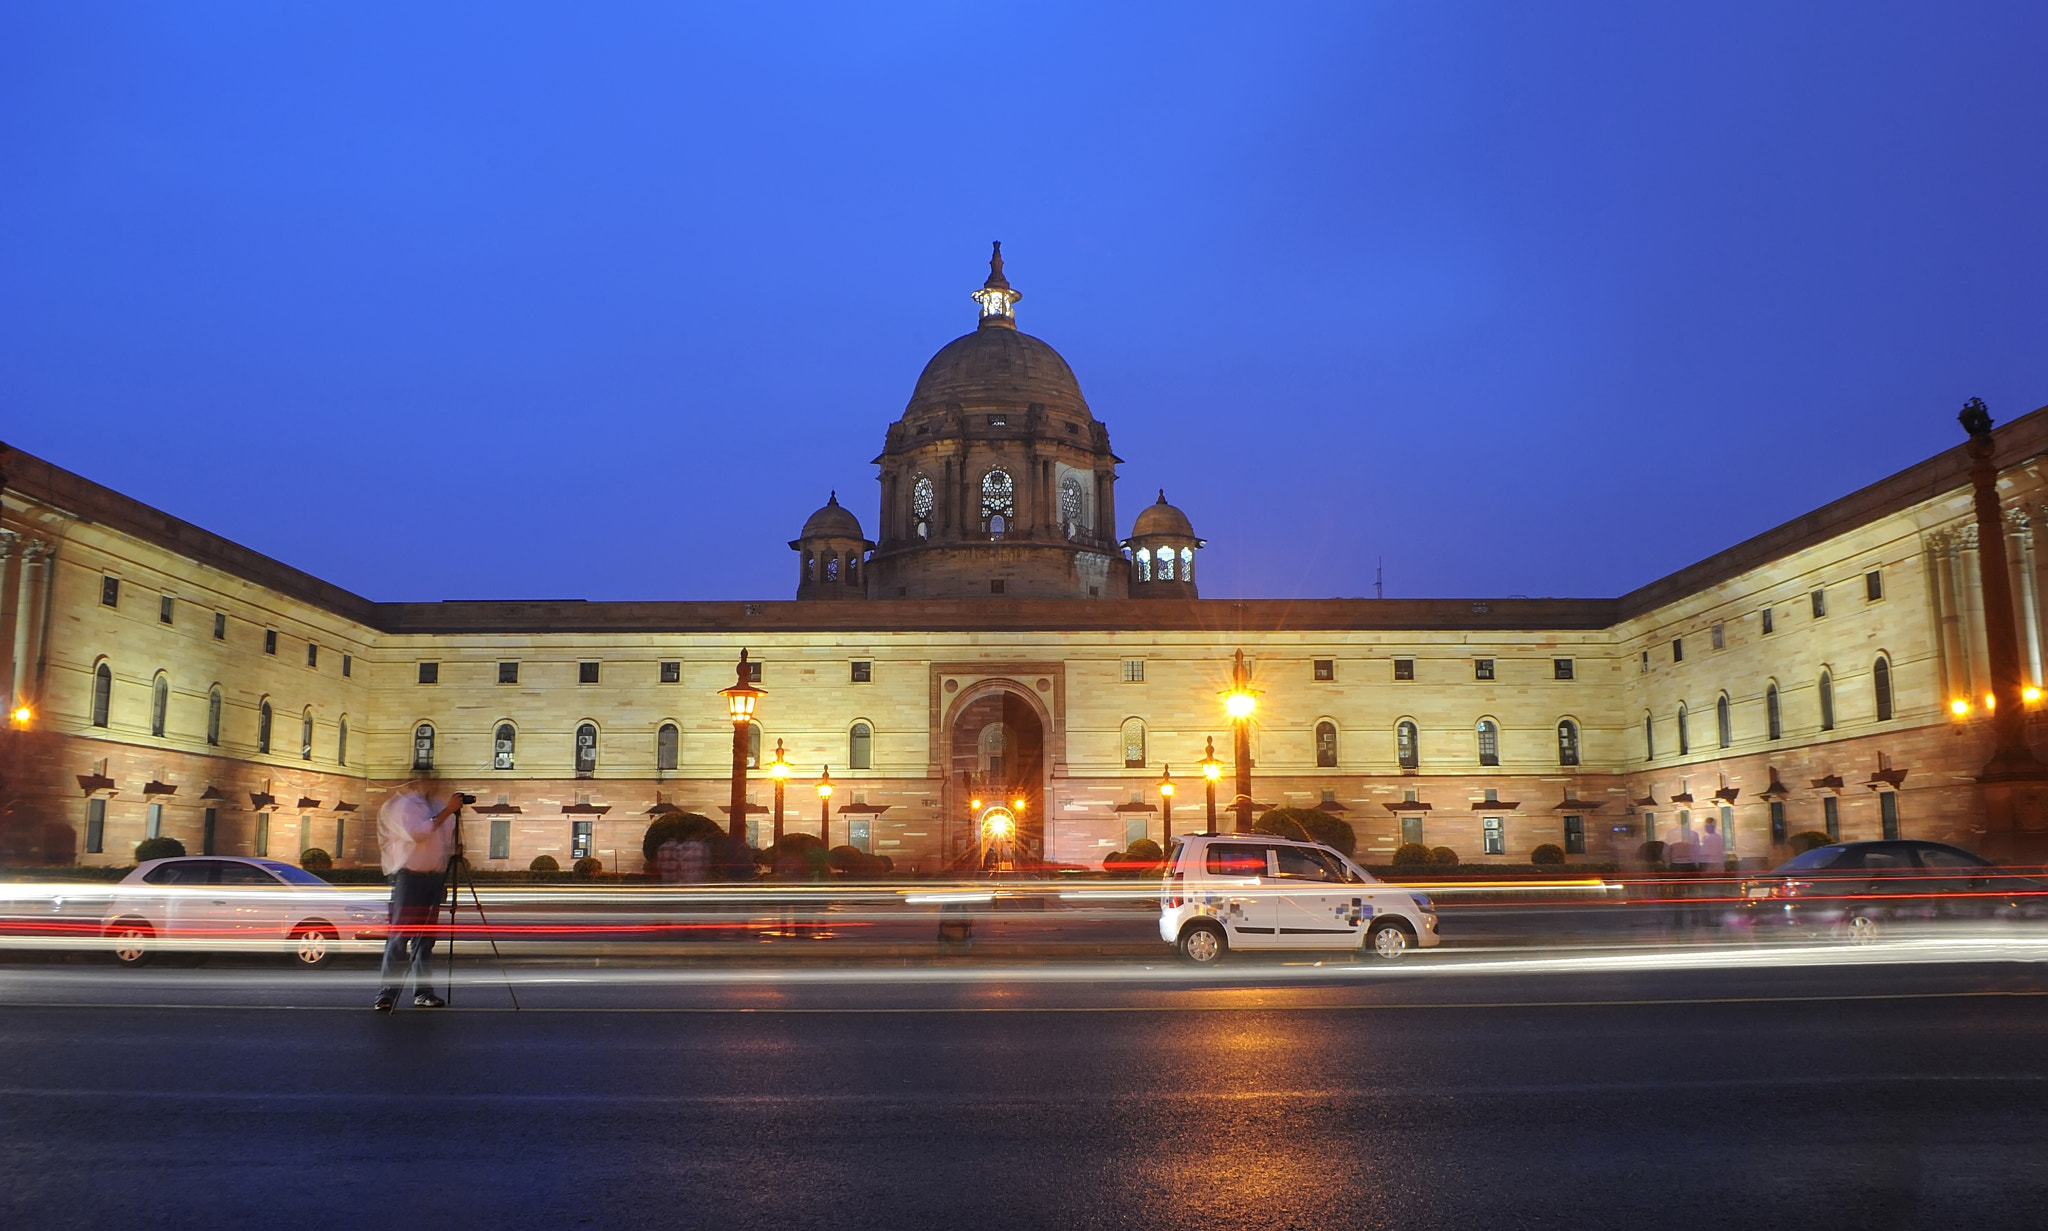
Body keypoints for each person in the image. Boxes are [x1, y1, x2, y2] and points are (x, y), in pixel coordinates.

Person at [373, 782, 463, 1011]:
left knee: (425, 941)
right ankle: (387, 994)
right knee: (400, 936)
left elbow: (445, 838)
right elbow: (417, 834)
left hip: (434, 877)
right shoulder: (403, 806)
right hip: (409, 878)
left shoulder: (437, 805)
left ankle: (423, 992)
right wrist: (447, 812)